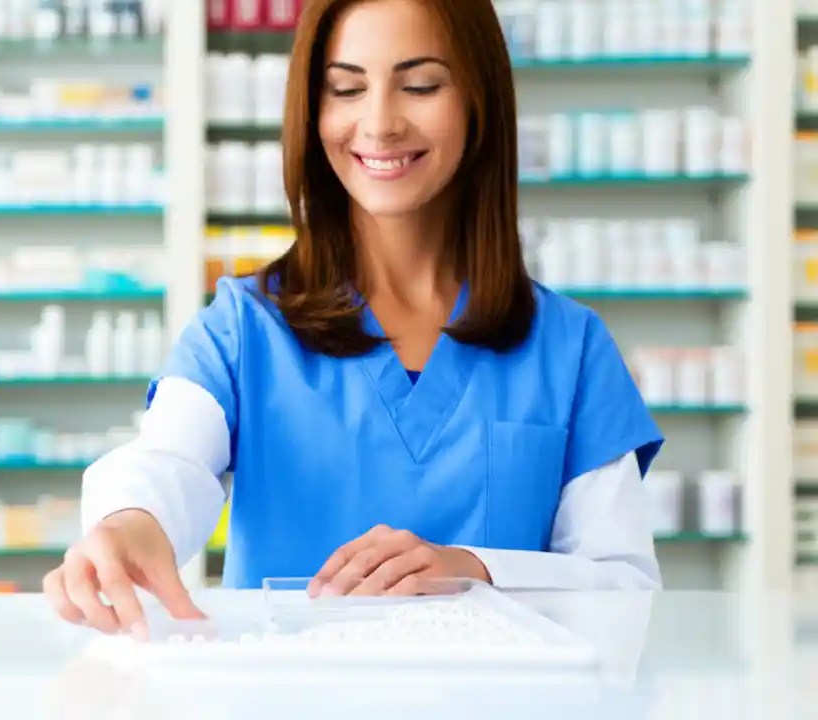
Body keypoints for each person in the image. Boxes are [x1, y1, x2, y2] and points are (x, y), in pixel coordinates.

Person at [44, 0, 665, 636]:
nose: (380, 122)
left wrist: (473, 569)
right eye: (346, 88)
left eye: (420, 85)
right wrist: (128, 523)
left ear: (480, 99)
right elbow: (168, 459)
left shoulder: (570, 348)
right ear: (313, 112)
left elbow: (623, 586)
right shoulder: (243, 328)